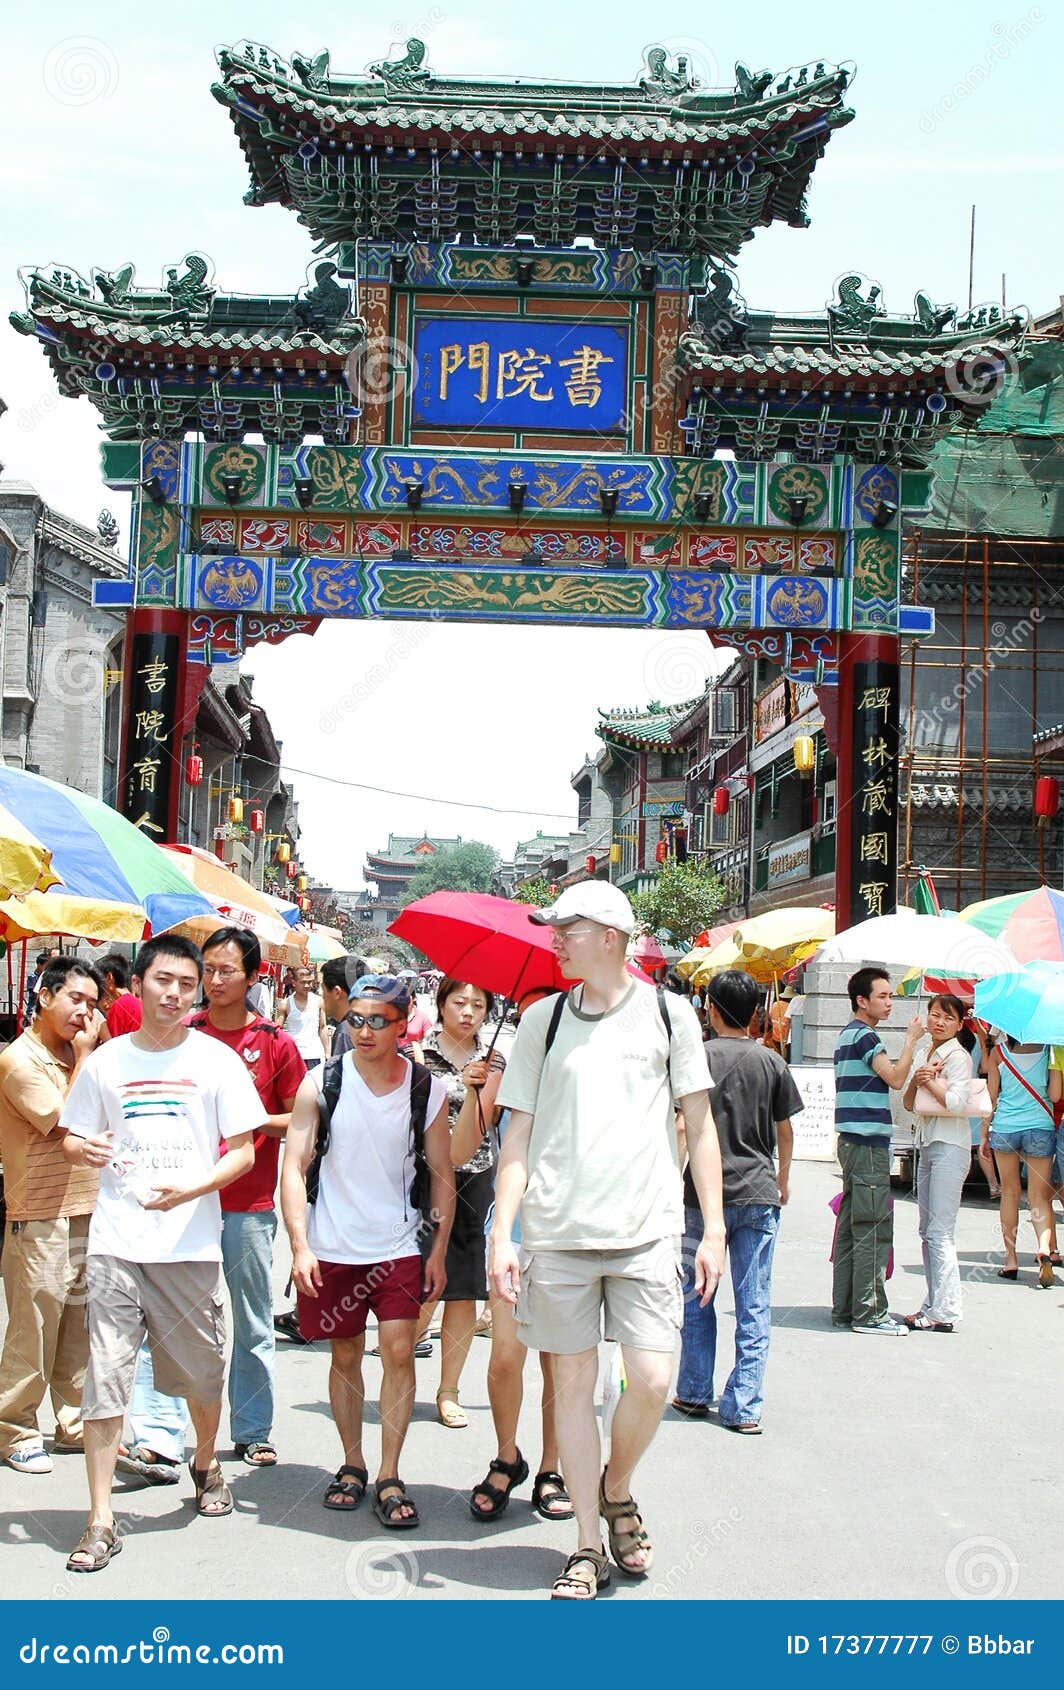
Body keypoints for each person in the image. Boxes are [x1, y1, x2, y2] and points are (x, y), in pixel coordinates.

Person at [489, 882, 725, 1601]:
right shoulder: (543, 1021)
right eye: (556, 929)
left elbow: (700, 1124)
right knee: (572, 1388)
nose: (556, 939)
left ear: (613, 937)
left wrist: (712, 1227)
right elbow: (518, 1136)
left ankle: (615, 1485)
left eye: (569, 928)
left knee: (652, 1380)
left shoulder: (668, 1012)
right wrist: (504, 1231)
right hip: (557, 1234)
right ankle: (587, 1544)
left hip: (647, 1231)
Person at [57, 935, 262, 1572]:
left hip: (189, 1245)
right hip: (116, 1243)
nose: (173, 994)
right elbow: (72, 1134)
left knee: (202, 1370)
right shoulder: (106, 1062)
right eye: (162, 981)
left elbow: (244, 1150)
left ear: (196, 989)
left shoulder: (217, 1062)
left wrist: (191, 1190)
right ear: (138, 984)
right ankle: (99, 1519)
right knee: (107, 1375)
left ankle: (204, 1463)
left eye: (185, 983)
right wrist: (80, 1152)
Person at [280, 975, 455, 1528]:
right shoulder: (321, 1083)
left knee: (399, 1351)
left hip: (399, 1243)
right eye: (355, 1019)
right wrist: (300, 1244)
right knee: (345, 1353)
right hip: (333, 1243)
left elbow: (444, 1173)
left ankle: (389, 1471)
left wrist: (438, 1250)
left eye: (378, 1020)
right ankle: (352, 1463)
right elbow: (294, 1166)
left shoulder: (426, 1090)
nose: (363, 1030)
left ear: (404, 1026)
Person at [190, 927, 306, 1464]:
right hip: (184, 1199)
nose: (214, 980)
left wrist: (255, 1121)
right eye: (207, 969)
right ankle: (165, 1437)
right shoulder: (182, 1035)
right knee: (177, 1318)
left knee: (252, 1319)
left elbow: (303, 1117)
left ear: (252, 975)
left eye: (226, 970)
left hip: (249, 1205)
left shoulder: (274, 1042)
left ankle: (253, 1428)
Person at [674, 969, 800, 1431]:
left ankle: (692, 1390)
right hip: (758, 1191)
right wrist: (783, 1177)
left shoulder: (694, 1058)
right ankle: (744, 1404)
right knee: (754, 1301)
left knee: (697, 1296)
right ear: (755, 1014)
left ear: (709, 1010)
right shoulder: (771, 1063)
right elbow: (785, 1130)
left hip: (698, 1198)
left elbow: (684, 1127)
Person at [467, 985, 571, 1524]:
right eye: (527, 1016)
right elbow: (468, 1144)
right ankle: (508, 1455)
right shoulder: (505, 1073)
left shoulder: (583, 1075)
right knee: (506, 1355)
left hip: (567, 1237)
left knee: (559, 1360)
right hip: (512, 1231)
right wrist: (475, 1091)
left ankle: (553, 1465)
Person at [0, 960, 103, 1473]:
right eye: (75, 999)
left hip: (85, 1206)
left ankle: (71, 1421)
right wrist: (86, 1056)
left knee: (77, 1323)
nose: (84, 1012)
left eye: (92, 1002)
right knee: (34, 1323)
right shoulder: (22, 1060)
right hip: (37, 1213)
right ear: (44, 998)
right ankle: (16, 1427)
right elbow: (70, 1121)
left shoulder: (78, 1054)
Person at [419, 978, 506, 1429]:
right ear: (442, 1004)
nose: (468, 1011)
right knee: (416, 1282)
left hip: (473, 1178)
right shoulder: (415, 1054)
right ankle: (400, 1370)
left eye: (478, 1003)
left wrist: (474, 1088)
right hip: (421, 1180)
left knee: (463, 1289)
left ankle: (449, 1389)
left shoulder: (493, 1061)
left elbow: (483, 1124)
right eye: (459, 1002)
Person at [832, 968, 924, 1336]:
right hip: (867, 1142)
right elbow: (897, 1079)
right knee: (871, 1227)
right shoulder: (865, 1035)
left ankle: (846, 1308)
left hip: (853, 1140)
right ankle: (869, 1314)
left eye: (891, 996)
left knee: (852, 1228)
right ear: (862, 1000)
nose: (889, 1002)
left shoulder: (845, 1034)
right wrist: (911, 1041)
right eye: (883, 996)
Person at [900, 994, 975, 1332]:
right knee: (926, 1231)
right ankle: (933, 1304)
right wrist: (919, 1079)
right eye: (934, 1015)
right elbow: (909, 1103)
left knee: (940, 1231)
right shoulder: (924, 1053)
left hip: (950, 1145)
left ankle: (946, 1309)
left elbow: (958, 1104)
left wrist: (929, 1080)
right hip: (926, 1143)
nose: (938, 1021)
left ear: (960, 1023)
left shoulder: (957, 1057)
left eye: (946, 1017)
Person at [984, 1032, 1061, 1286]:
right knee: (1039, 1197)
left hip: (1005, 1127)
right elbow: (1055, 1094)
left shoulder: (999, 1052)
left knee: (1009, 1193)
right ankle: (1043, 1248)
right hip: (1040, 1126)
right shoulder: (1050, 1050)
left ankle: (1011, 1260)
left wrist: (984, 1135)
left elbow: (991, 1098)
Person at [276, 965, 327, 1073]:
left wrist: (328, 1052)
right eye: (303, 982)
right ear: (294, 983)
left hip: (313, 1053)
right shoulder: (285, 1004)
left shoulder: (319, 1001)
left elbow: (323, 1028)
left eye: (309, 982)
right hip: (292, 1054)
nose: (307, 985)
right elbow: (278, 1029)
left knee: (313, 1087)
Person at [97, 954, 142, 1038]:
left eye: (97, 979)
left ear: (109, 977)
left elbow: (112, 1045)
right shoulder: (134, 1002)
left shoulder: (120, 1006)